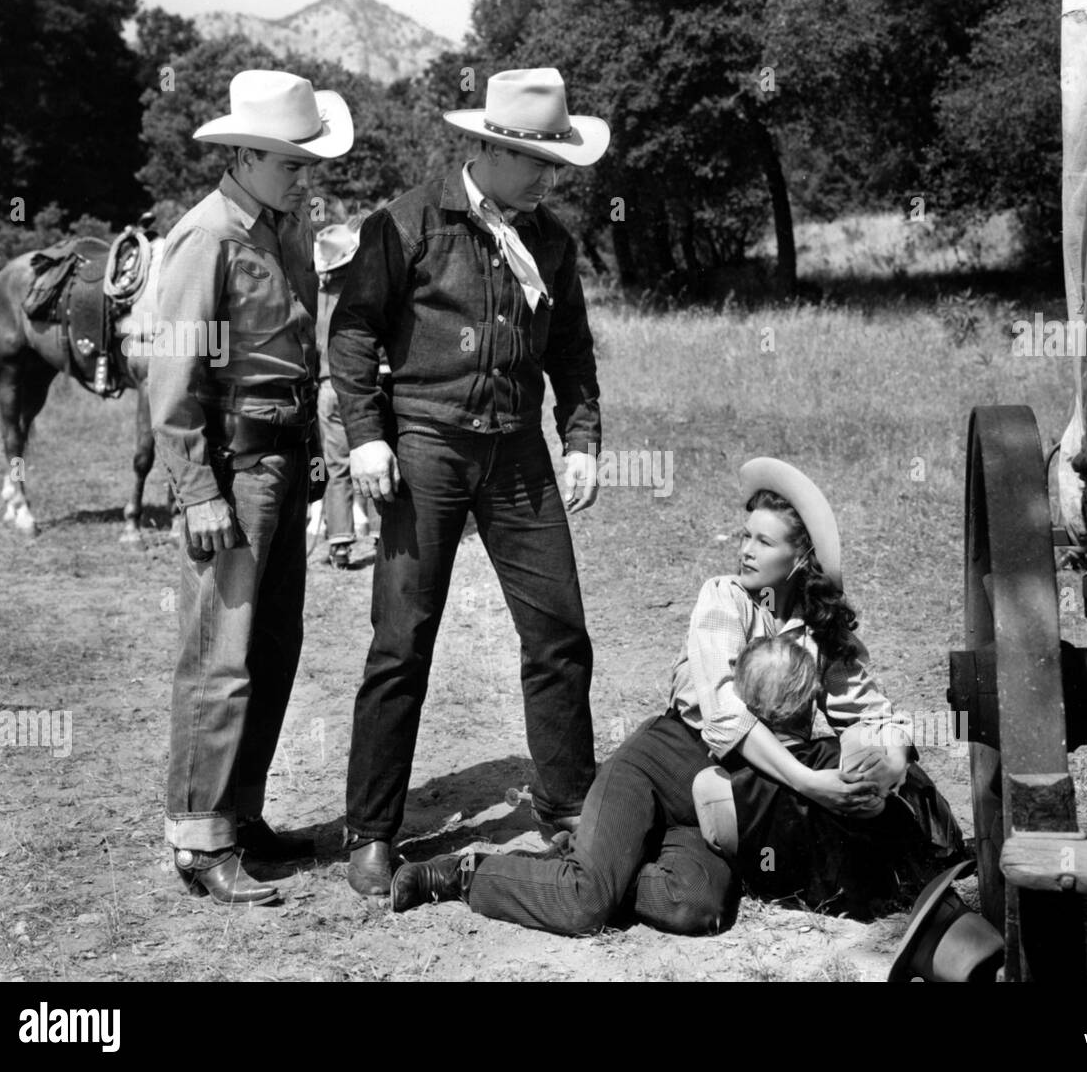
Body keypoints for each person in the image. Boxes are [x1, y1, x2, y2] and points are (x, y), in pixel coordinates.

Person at [389, 459, 962, 934]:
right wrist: (813, 783)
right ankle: (467, 874)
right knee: (587, 904)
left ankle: (601, 853)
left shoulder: (824, 632)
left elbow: (877, 719)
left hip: (732, 792)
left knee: (697, 909)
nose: (746, 550)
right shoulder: (722, 599)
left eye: (765, 541)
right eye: (745, 536)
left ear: (802, 557)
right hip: (665, 760)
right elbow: (725, 718)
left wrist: (875, 769)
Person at [329, 68, 611, 896]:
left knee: (559, 633)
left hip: (518, 456)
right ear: (488, 148)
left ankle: (567, 807)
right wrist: (367, 438)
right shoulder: (406, 223)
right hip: (425, 447)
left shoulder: (550, 242)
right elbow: (351, 335)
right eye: (537, 159)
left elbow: (574, 353)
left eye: (555, 161)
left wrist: (583, 438)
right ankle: (372, 831)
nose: (549, 176)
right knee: (401, 641)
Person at [151, 69, 353, 905]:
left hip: (280, 459)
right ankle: (198, 840)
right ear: (245, 153)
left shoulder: (282, 228)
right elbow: (174, 379)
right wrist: (196, 489)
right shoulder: (209, 237)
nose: (305, 175)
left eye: (306, 163)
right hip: (230, 472)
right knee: (219, 656)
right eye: (292, 161)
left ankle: (239, 812)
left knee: (272, 647)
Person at [310, 221, 367, 568]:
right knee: (376, 453)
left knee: (335, 466)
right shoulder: (367, 291)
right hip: (364, 385)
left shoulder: (315, 297)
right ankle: (379, 531)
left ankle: (340, 543)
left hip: (328, 386)